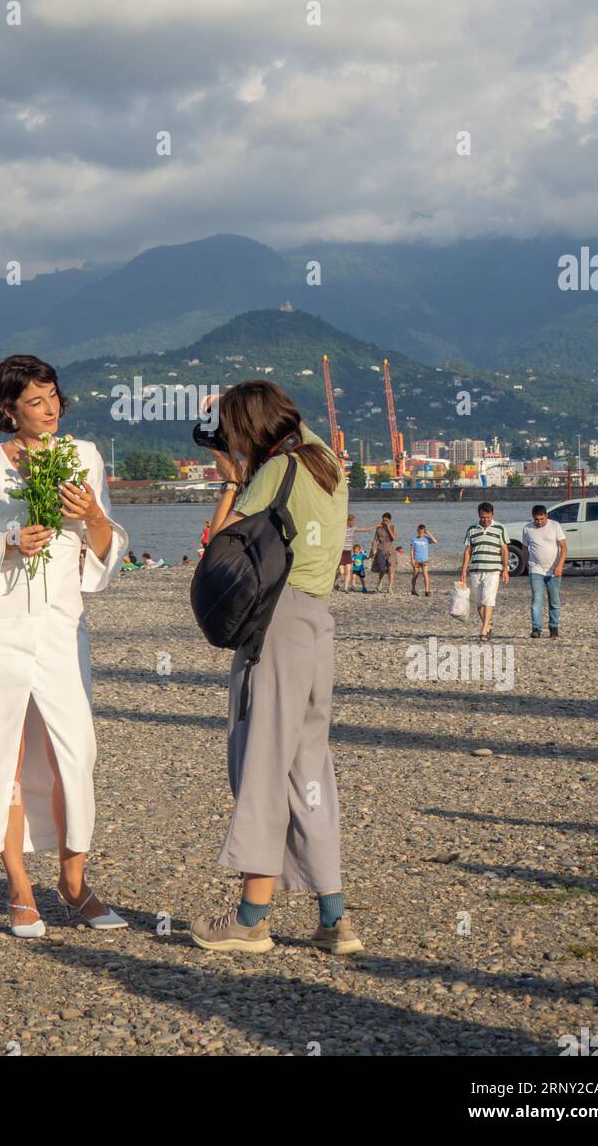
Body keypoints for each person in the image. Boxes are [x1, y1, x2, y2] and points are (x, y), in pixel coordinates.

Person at [0, 354, 129, 938]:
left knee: (74, 751)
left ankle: (74, 886)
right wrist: (6, 542)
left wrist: (94, 515)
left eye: (54, 398)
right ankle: (19, 889)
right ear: (7, 410)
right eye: (35, 401)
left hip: (59, 623)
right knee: (1, 754)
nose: (50, 410)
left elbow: (105, 543)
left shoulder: (84, 457)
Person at [189, 380, 363, 957]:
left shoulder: (274, 471)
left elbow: (220, 544)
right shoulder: (326, 460)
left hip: (277, 623)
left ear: (253, 429)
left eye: (236, 430)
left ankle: (250, 920)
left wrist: (233, 478)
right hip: (318, 624)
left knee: (261, 761)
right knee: (309, 769)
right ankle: (334, 919)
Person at [460, 501, 509, 642]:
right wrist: (464, 569)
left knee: (488, 599)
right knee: (478, 603)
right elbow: (468, 550)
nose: (485, 520)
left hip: (493, 570)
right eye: (483, 517)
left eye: (488, 517)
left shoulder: (500, 528)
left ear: (492, 515)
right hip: (475, 569)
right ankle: (488, 625)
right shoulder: (472, 529)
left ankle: (483, 630)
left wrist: (505, 569)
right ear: (479, 515)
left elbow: (504, 549)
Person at [522, 505, 567, 639]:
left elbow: (564, 547)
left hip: (553, 569)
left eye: (542, 519)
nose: (539, 522)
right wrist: (526, 564)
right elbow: (525, 548)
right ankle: (536, 628)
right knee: (537, 599)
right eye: (536, 520)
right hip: (535, 569)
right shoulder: (527, 528)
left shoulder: (555, 526)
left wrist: (560, 565)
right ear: (533, 517)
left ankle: (554, 627)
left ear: (546, 516)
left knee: (554, 600)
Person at [339, 513, 374, 591]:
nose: (354, 522)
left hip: (348, 552)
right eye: (353, 521)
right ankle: (335, 582)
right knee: (341, 572)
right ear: (348, 521)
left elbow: (365, 529)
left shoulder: (353, 528)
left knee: (348, 569)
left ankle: (345, 588)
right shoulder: (341, 528)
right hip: (341, 552)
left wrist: (376, 526)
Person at [369, 513, 397, 592]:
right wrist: (372, 551)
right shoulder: (379, 528)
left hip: (390, 550)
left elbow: (394, 538)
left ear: (390, 520)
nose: (384, 522)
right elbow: (375, 539)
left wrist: (388, 528)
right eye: (383, 520)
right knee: (382, 569)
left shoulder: (392, 527)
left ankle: (390, 587)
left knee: (391, 569)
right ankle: (380, 582)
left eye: (386, 520)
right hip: (380, 549)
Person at [410, 524, 439, 597]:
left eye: (422, 532)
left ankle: (427, 590)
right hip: (416, 560)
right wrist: (412, 559)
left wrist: (429, 533)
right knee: (415, 575)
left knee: (425, 575)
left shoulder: (426, 539)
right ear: (417, 531)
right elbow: (411, 550)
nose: (421, 534)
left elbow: (435, 542)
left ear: (424, 532)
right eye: (419, 532)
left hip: (424, 560)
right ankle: (413, 589)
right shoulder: (414, 539)